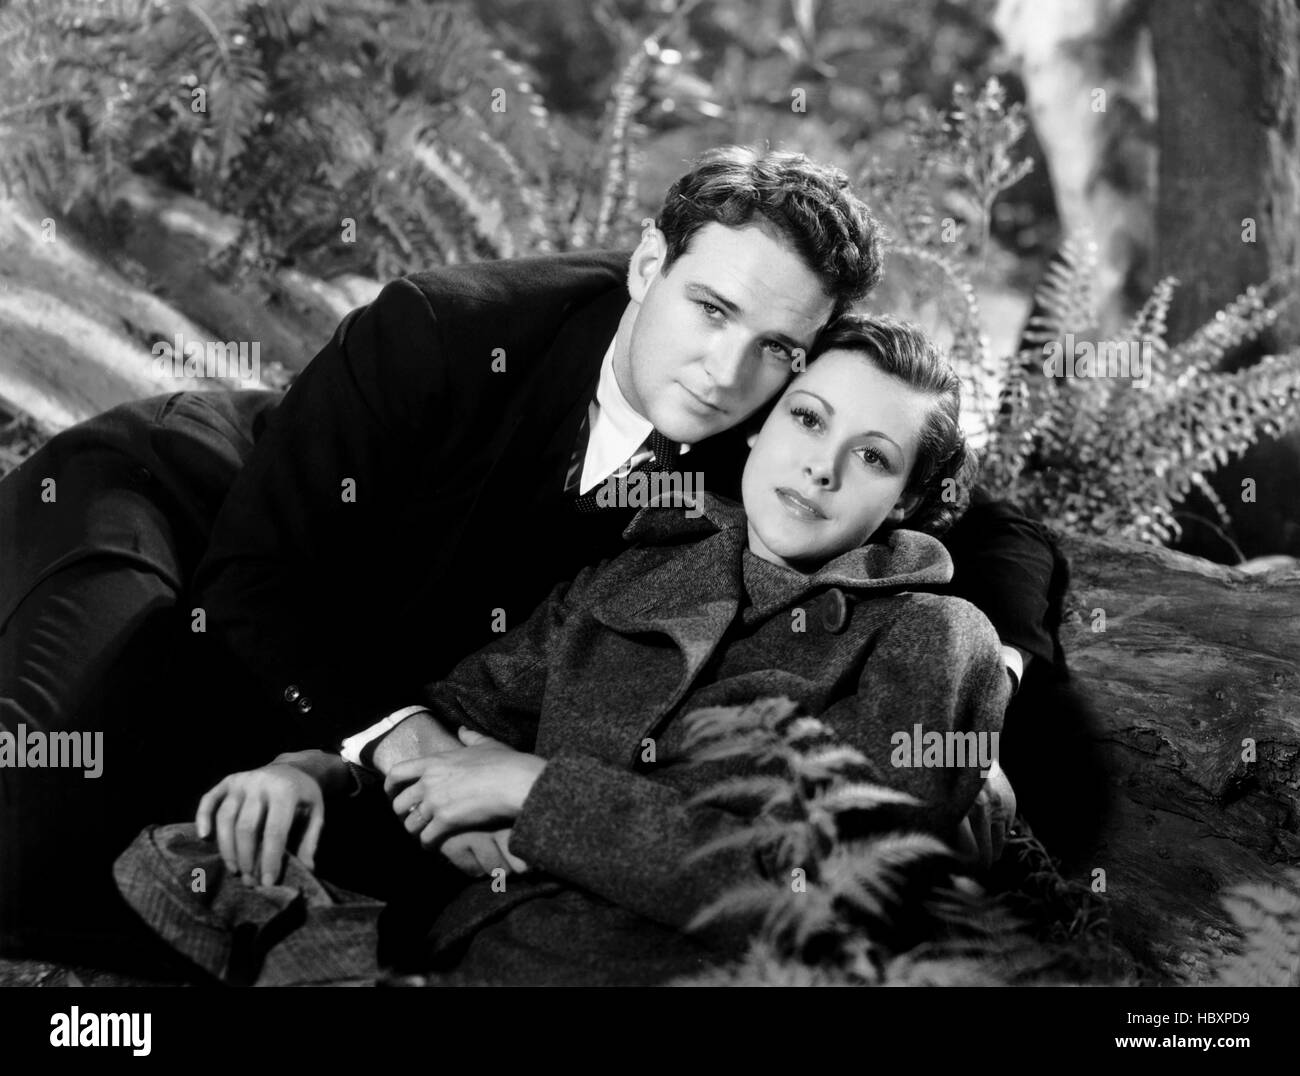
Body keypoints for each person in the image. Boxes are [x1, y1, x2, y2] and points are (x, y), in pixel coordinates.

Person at [0, 146, 1053, 964]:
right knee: (26, 832)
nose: (728, 370)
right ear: (651, 262)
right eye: (710, 307)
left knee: (308, 860)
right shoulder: (446, 330)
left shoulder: (774, 410)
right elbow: (254, 580)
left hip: (376, 662)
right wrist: (407, 748)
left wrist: (995, 673)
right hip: (190, 517)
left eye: (777, 346)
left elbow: (990, 521)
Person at [122, 315, 1011, 986]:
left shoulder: (932, 635)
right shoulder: (645, 568)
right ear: (763, 425)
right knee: (184, 860)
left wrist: (533, 792)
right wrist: (314, 774)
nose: (822, 468)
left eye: (873, 458)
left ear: (903, 502)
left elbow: (832, 889)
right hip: (467, 952)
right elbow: (462, 718)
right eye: (809, 421)